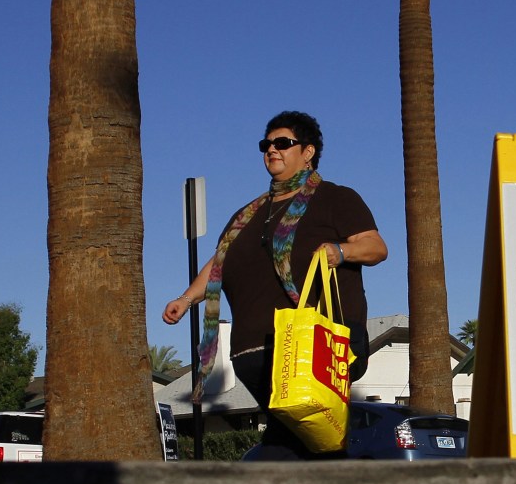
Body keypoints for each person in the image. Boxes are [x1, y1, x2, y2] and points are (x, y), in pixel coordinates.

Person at [162, 110, 388, 460]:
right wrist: (187, 298)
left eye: (282, 143)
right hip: (253, 350)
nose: (272, 149)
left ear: (308, 152)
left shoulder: (335, 198)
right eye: (266, 144)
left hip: (312, 347)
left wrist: (340, 251)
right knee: (303, 447)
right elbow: (219, 262)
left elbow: (375, 247)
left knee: (297, 446)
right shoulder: (248, 214)